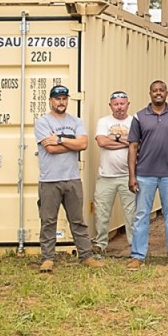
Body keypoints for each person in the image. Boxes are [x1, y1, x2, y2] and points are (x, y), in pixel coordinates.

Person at [34, 84, 102, 272]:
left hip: (72, 178)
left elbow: (84, 143)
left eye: (64, 99)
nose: (61, 102)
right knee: (48, 220)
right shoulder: (42, 122)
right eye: (57, 99)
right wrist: (72, 144)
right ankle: (48, 258)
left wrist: (60, 139)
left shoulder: (76, 121)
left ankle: (85, 255)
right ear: (51, 101)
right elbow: (50, 148)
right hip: (49, 180)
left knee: (77, 220)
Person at [126, 79, 168, 270]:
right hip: (144, 174)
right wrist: (132, 175)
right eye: (154, 90)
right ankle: (138, 256)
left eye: (161, 90)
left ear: (166, 93)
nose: (158, 93)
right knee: (141, 216)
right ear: (150, 93)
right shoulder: (139, 117)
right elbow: (132, 147)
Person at [93, 90, 136, 258]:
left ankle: (134, 246)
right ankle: (100, 244)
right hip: (106, 176)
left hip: (128, 175)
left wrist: (114, 138)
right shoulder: (103, 121)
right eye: (116, 104)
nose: (119, 107)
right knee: (102, 212)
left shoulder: (134, 121)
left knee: (132, 214)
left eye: (122, 103)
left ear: (128, 104)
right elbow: (102, 142)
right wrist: (126, 142)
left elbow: (137, 144)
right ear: (110, 105)